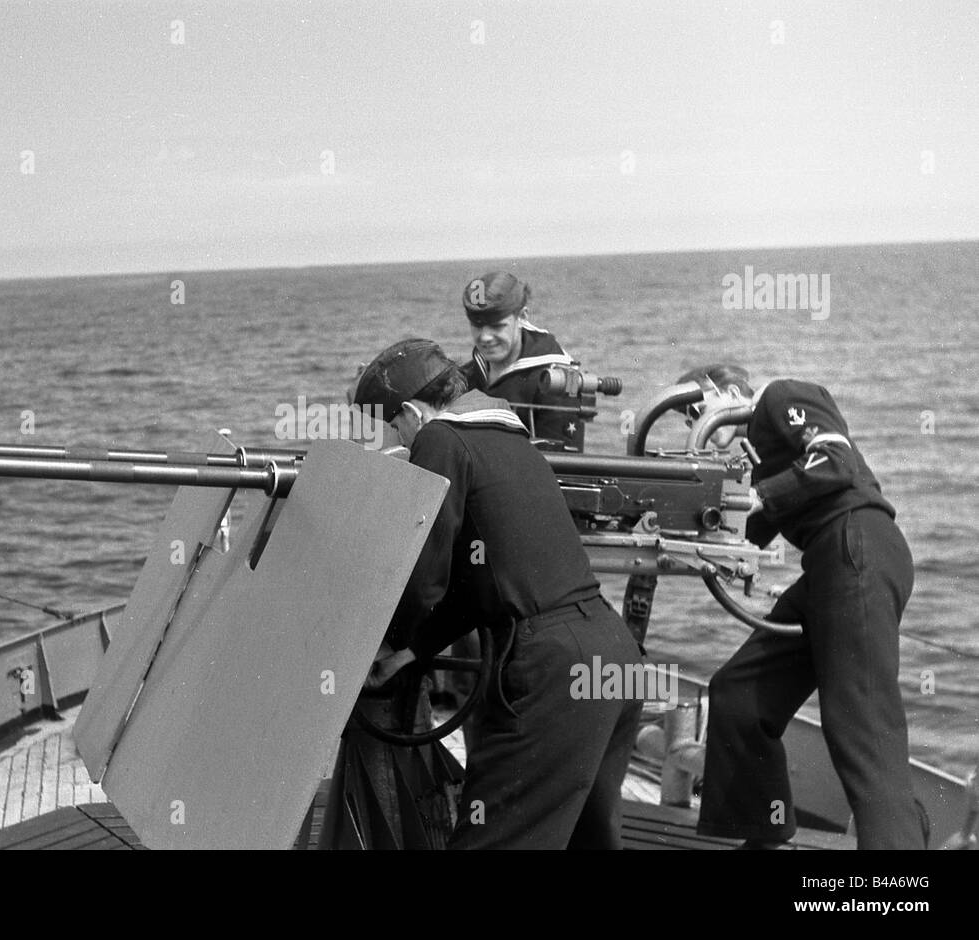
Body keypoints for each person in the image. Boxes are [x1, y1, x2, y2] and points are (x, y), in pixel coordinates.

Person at [352, 338, 643, 849]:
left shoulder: (440, 440)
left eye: (393, 426)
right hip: (611, 652)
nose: (397, 437)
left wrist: (380, 640)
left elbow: (426, 579)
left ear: (413, 412)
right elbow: (477, 586)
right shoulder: (508, 438)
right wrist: (413, 651)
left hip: (550, 667)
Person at [680, 364, 926, 850]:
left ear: (729, 393)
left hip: (858, 550)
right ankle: (760, 835)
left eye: (695, 409)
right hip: (830, 568)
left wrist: (758, 495)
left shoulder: (780, 398)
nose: (693, 424)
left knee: (863, 735)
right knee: (739, 694)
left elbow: (834, 459)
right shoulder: (760, 459)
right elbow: (745, 534)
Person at [461, 271, 588, 450]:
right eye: (477, 325)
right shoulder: (466, 375)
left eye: (497, 326)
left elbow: (564, 464)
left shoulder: (564, 380)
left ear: (522, 317)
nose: (485, 337)